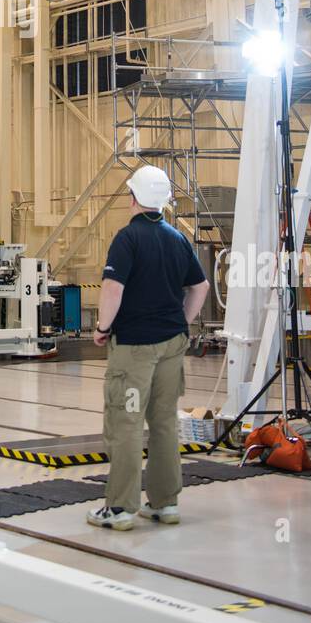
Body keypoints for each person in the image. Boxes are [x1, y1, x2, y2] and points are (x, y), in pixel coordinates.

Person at [87, 166, 209, 531]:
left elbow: (113, 289)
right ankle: (165, 503)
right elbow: (200, 287)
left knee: (126, 424)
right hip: (172, 346)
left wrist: (102, 327)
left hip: (135, 349)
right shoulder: (177, 238)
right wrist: (181, 323)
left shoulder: (127, 239)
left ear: (133, 198)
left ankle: (121, 507)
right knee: (164, 423)